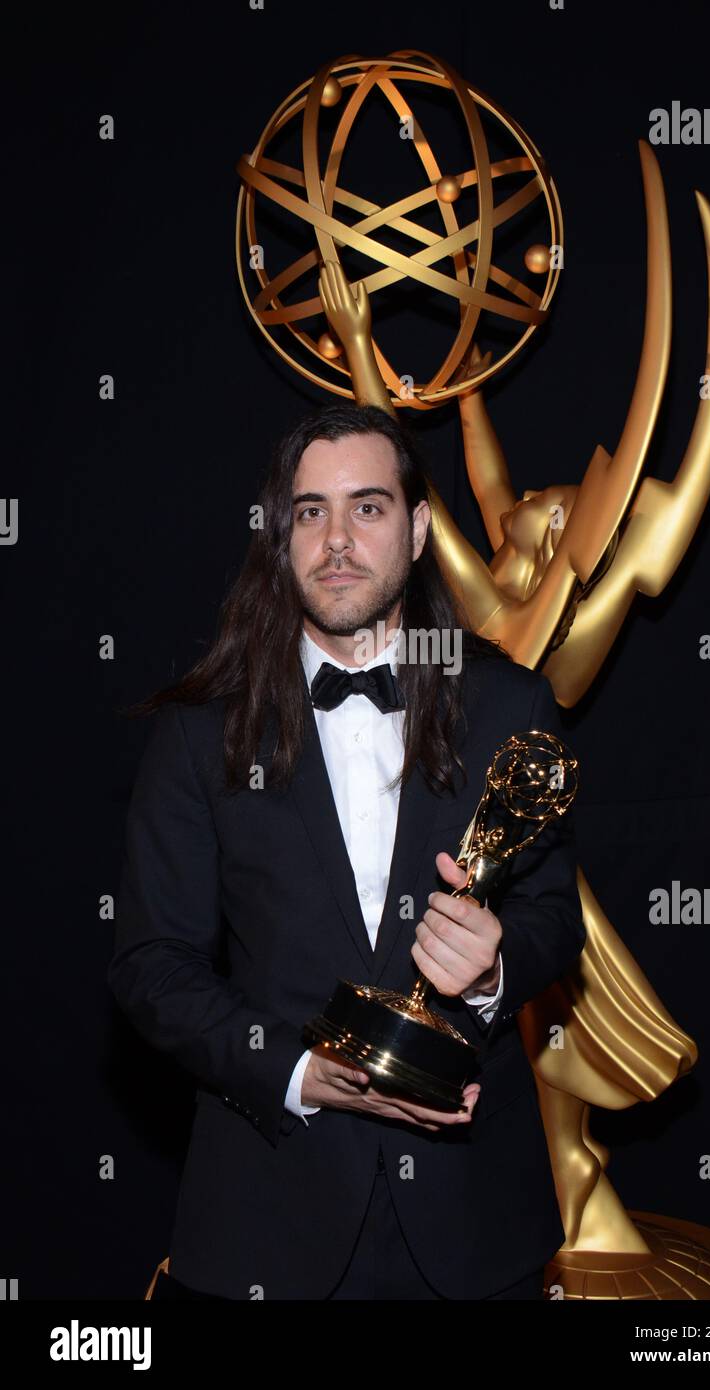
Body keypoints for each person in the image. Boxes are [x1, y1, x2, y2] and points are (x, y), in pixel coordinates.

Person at [107, 401, 587, 1300]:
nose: (336, 539)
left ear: (416, 530)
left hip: (476, 1223)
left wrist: (491, 969)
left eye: (366, 507)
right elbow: (150, 964)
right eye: (310, 512)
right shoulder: (196, 736)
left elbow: (554, 920)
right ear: (279, 535)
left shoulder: (509, 708)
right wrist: (296, 1071)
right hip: (265, 1219)